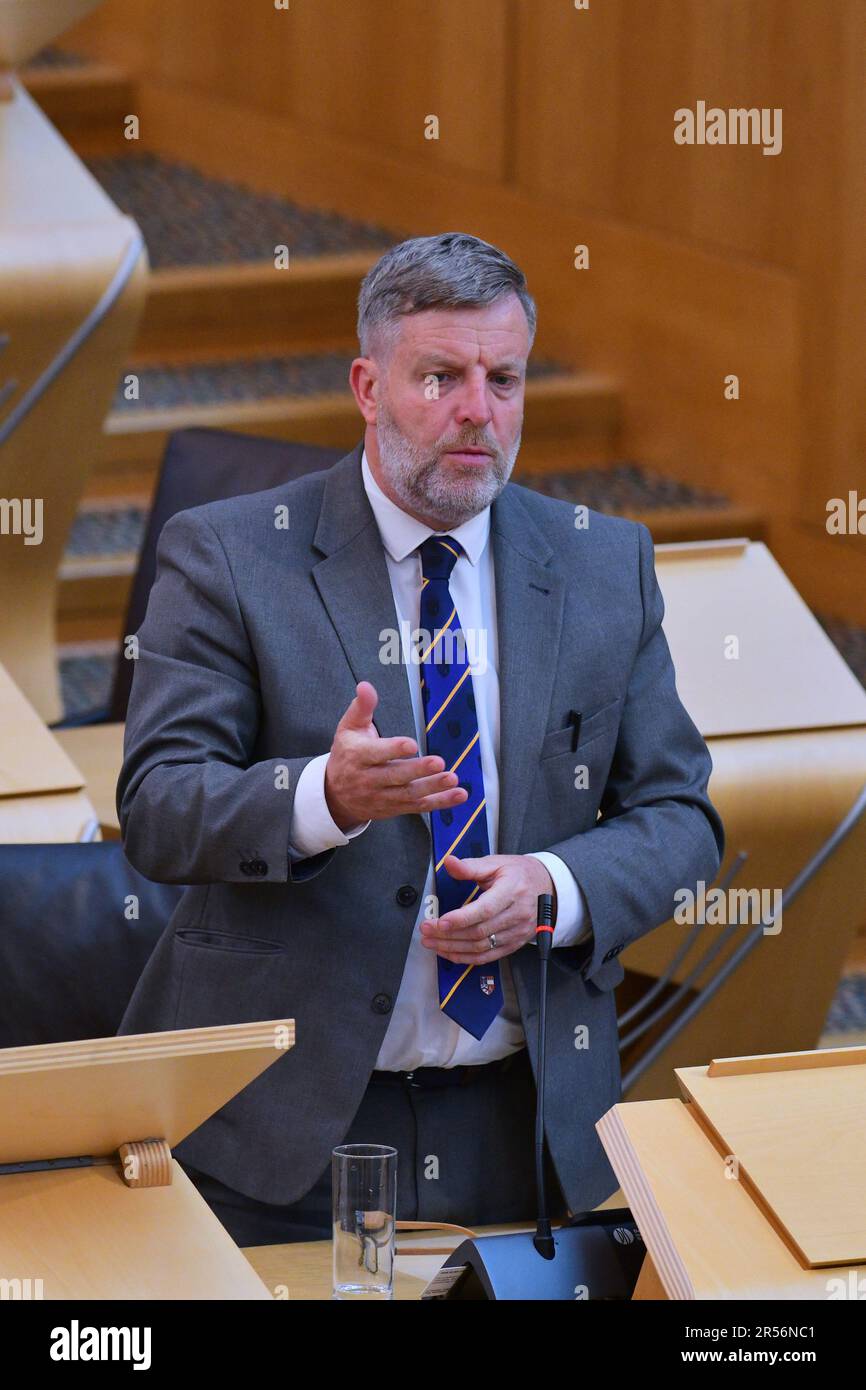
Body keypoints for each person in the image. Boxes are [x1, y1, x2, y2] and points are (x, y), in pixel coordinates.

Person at [116, 232, 724, 1246]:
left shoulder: (601, 566)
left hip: (520, 1121)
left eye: (502, 378)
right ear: (365, 384)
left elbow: (679, 815)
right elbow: (158, 806)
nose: (476, 411)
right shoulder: (230, 556)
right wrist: (322, 797)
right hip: (288, 1118)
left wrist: (553, 887)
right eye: (439, 376)